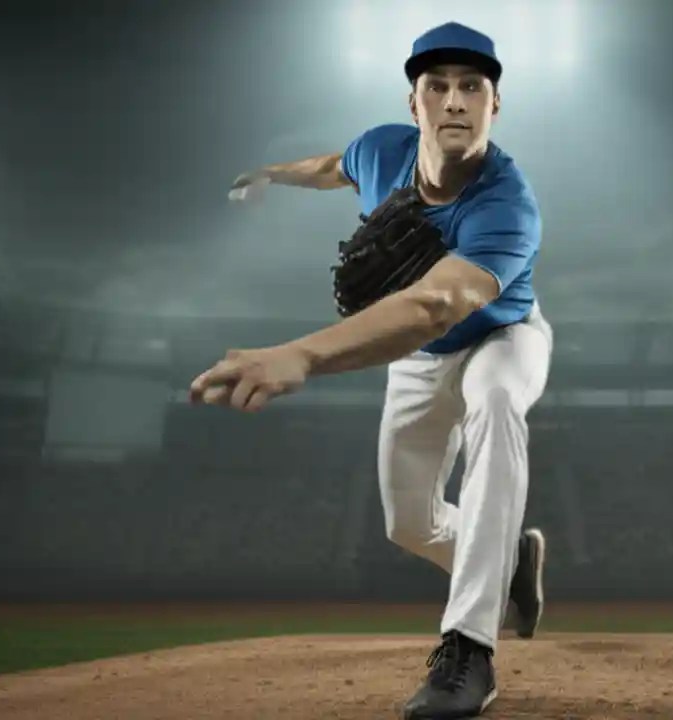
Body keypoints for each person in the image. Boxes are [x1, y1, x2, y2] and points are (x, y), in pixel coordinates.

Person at [191, 21, 552, 720]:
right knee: (407, 524)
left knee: (500, 403)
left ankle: (469, 651)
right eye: (437, 86)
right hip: (417, 362)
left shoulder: (508, 205)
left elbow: (434, 305)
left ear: (493, 105)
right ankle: (511, 563)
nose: (453, 100)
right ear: (413, 103)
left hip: (500, 339)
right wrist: (273, 173)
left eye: (471, 86)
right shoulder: (383, 148)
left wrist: (301, 353)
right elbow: (333, 165)